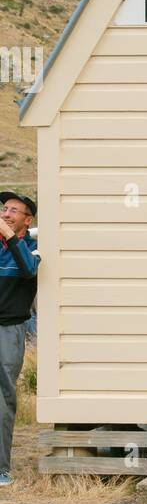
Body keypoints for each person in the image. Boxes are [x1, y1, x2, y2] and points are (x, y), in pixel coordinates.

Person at [0, 192, 40, 487]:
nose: (6, 213)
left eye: (14, 210)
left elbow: (29, 270)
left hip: (9, 330)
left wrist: (11, 238)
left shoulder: (33, 248)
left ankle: (1, 469)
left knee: (3, 398)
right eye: (4, 208)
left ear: (27, 220)